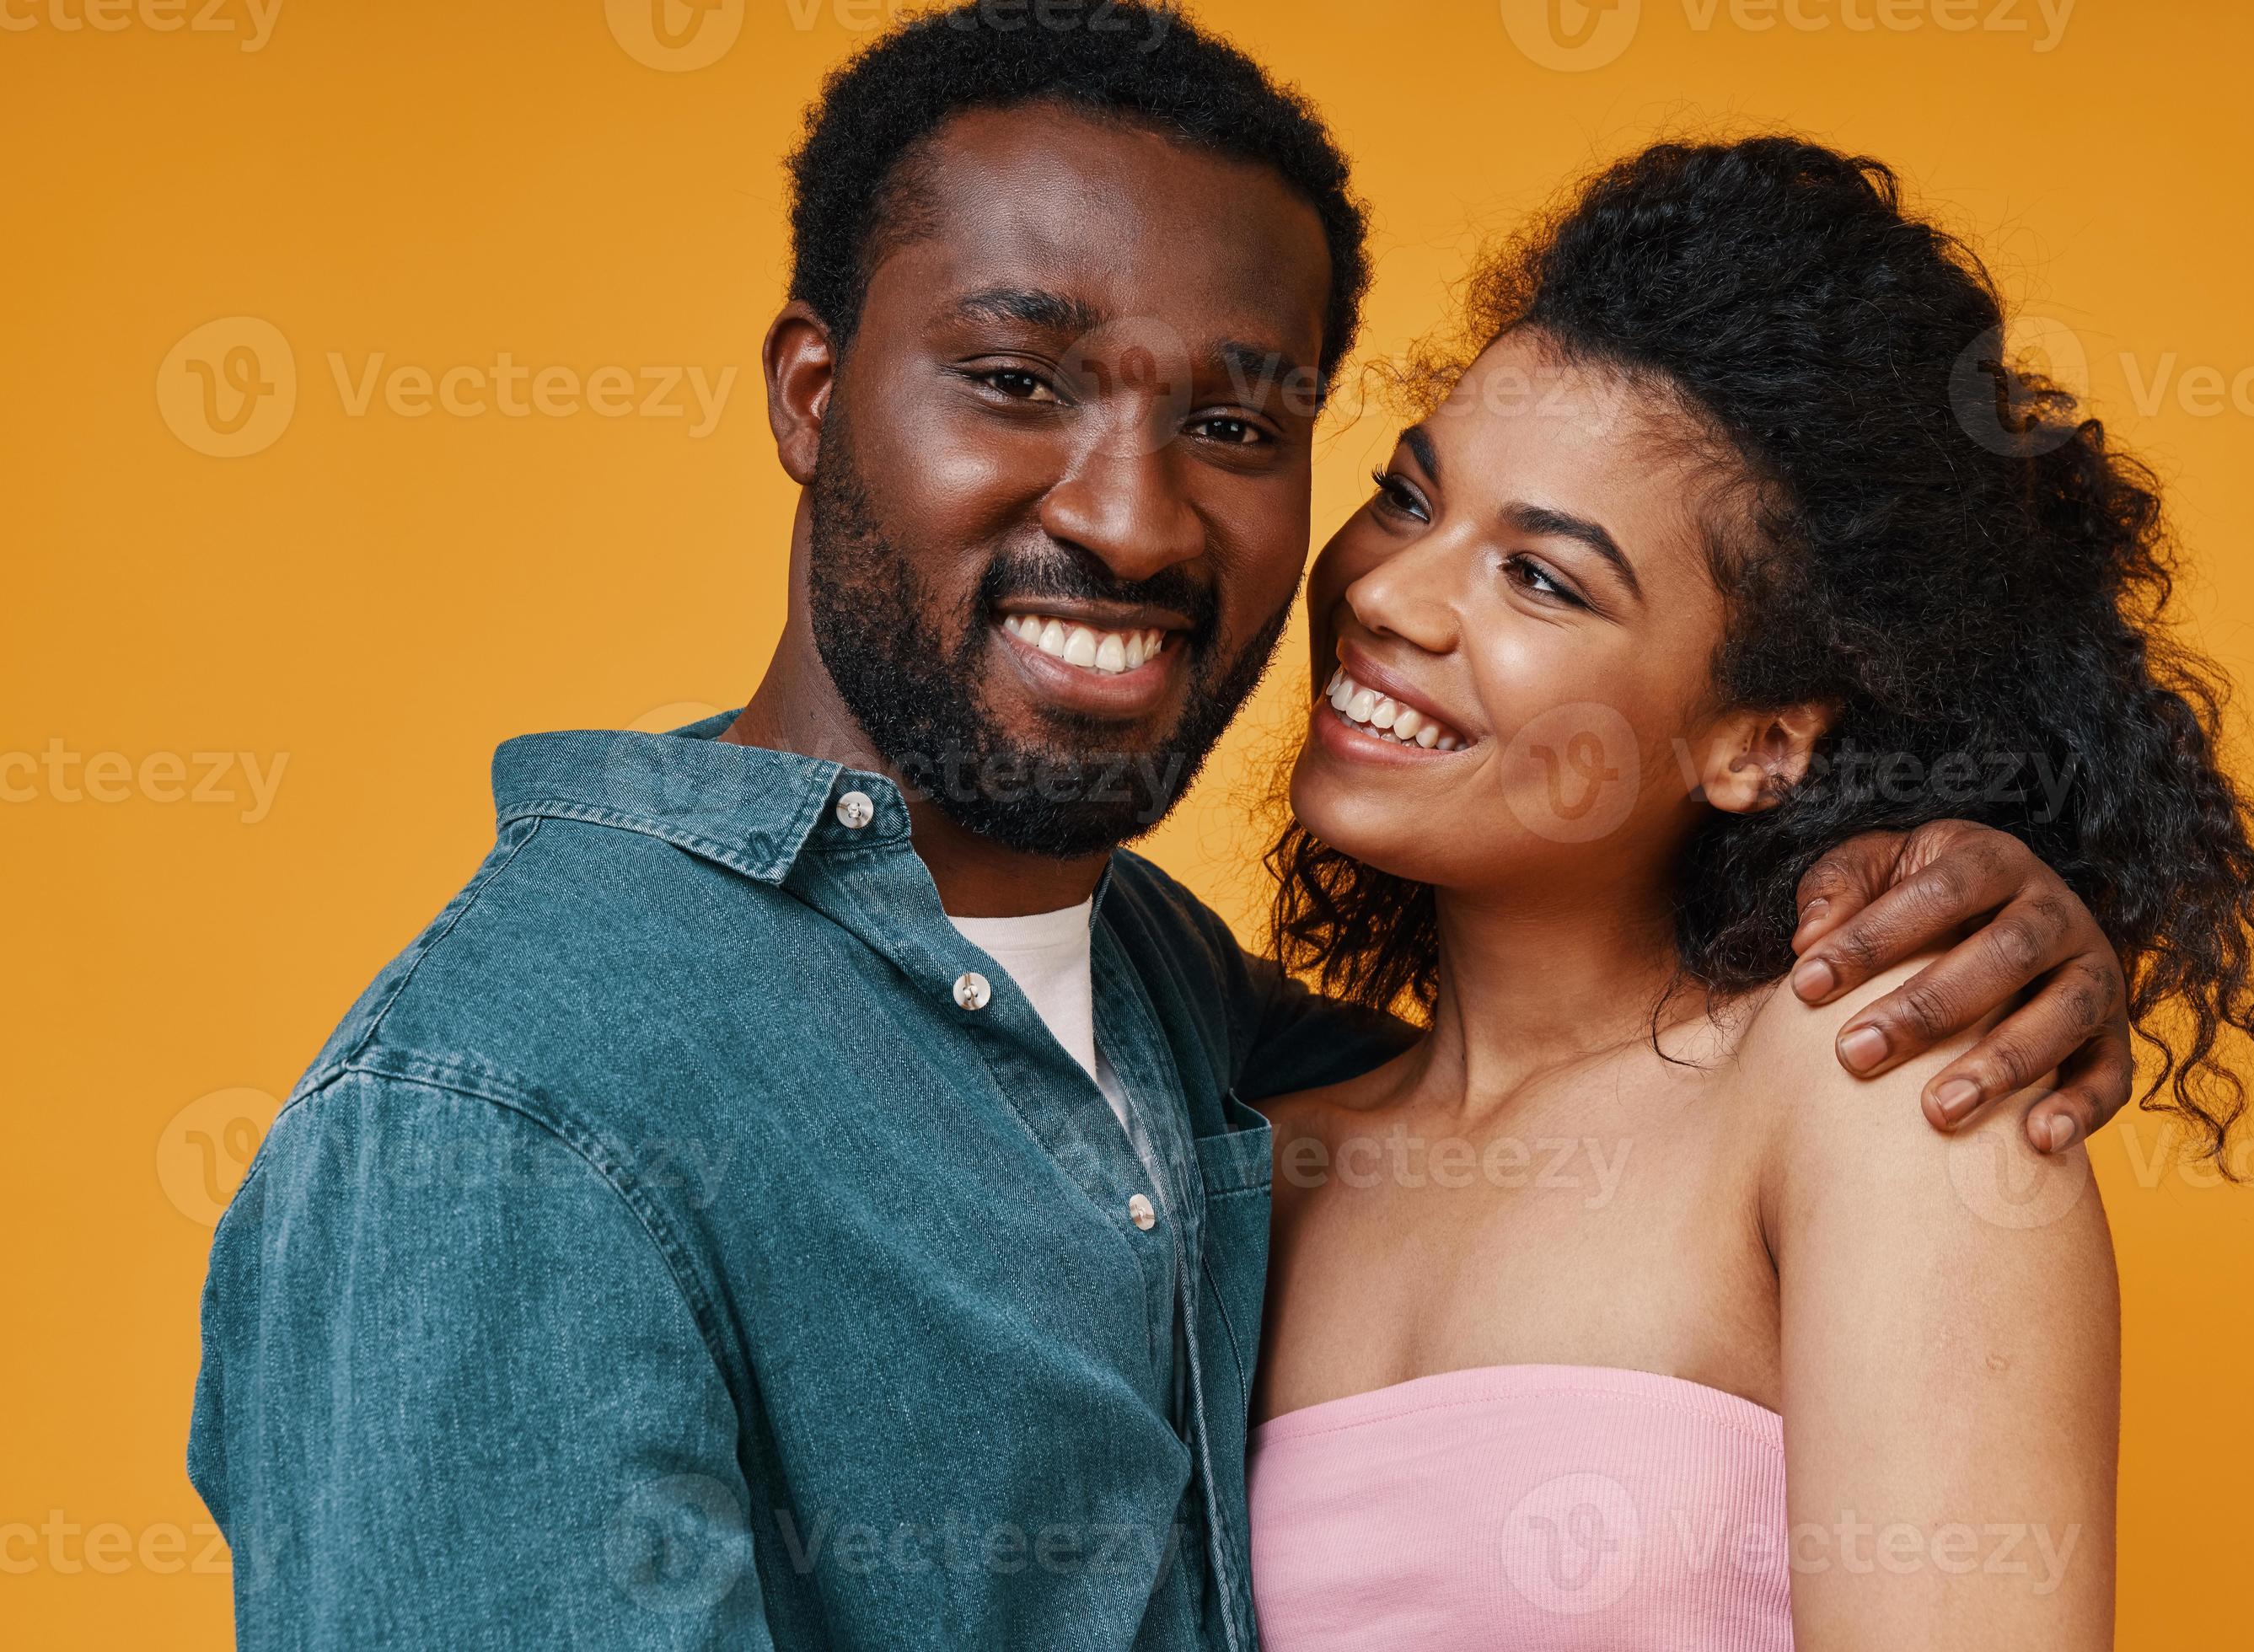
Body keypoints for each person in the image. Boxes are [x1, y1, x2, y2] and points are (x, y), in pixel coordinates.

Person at [189, 8, 2150, 1649]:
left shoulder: (1192, 1045)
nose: (1134, 523)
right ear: (811, 392)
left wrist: (2009, 899)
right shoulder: (500, 1111)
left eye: (1235, 424)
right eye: (1017, 379)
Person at [1243, 137, 2254, 1649]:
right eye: (1411, 499)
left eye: (1544, 579)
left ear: (1760, 741)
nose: (1392, 594)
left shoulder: (1882, 1085)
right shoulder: (1240, 1152)